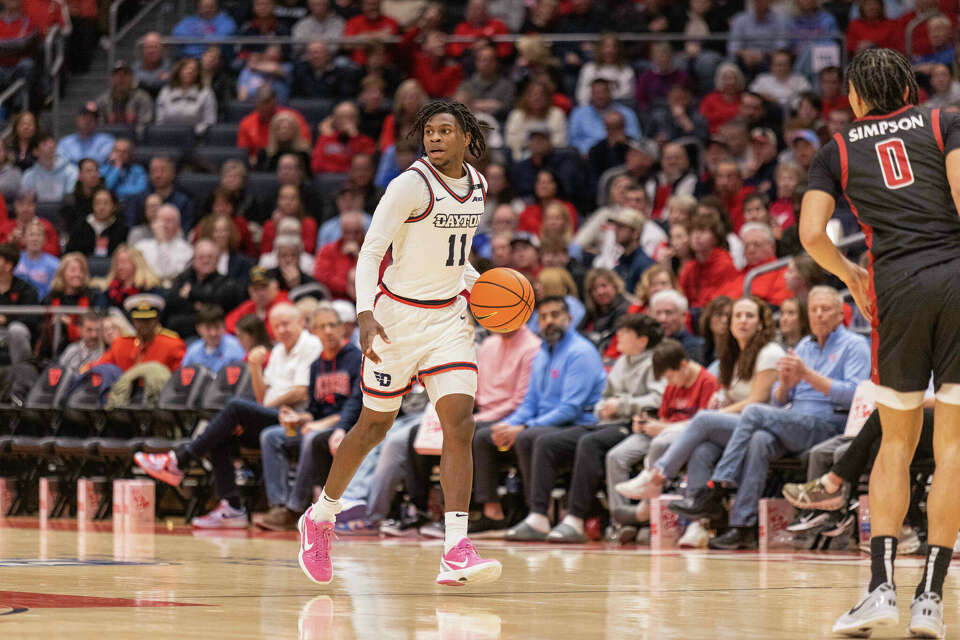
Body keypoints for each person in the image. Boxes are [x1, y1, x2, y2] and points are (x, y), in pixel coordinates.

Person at [290, 99, 504, 587]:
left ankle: (455, 548)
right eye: (429, 131)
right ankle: (320, 517)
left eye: (445, 131)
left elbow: (460, 262)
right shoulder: (409, 185)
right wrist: (364, 314)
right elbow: (370, 253)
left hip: (448, 320)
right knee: (372, 426)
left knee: (459, 424)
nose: (434, 138)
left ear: (467, 138)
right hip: (395, 321)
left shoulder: (477, 187)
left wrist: (482, 290)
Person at [798, 48, 960, 637]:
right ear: (910, 91)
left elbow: (812, 234)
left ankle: (880, 590)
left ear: (856, 98)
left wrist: (850, 275)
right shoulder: (945, 123)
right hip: (957, 281)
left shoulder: (836, 151)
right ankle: (932, 601)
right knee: (953, 446)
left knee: (895, 443)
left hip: (896, 292)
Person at [135, 303, 322, 527]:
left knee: (235, 408)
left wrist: (257, 411)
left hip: (299, 419)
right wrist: (254, 367)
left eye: (286, 324)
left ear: (300, 322)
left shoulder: (311, 346)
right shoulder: (279, 350)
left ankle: (178, 460)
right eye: (276, 325)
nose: (281, 329)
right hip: (274, 416)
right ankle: (232, 507)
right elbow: (262, 399)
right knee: (221, 434)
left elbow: (301, 391)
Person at [494, 296, 606, 541]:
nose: (548, 322)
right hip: (553, 424)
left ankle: (539, 512)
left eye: (555, 315)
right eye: (543, 317)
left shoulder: (580, 352)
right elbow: (530, 401)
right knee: (504, 436)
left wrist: (525, 426)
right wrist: (510, 424)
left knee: (533, 437)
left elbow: (571, 408)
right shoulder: (542, 353)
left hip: (583, 424)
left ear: (570, 319)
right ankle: (532, 515)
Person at [256, 304, 362, 531]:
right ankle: (279, 504)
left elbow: (357, 406)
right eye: (322, 326)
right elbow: (314, 408)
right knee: (271, 436)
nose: (328, 331)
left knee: (310, 437)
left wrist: (320, 424)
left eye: (333, 325)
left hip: (347, 427)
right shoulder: (316, 365)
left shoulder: (356, 358)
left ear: (343, 329)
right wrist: (301, 417)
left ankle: (295, 508)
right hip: (319, 425)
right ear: (314, 331)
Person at [89, 293, 185, 373]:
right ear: (133, 320)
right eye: (139, 320)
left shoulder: (172, 345)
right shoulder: (121, 344)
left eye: (148, 319)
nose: (144, 324)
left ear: (157, 319)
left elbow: (179, 380)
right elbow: (98, 367)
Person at [155, 57, 217, 136]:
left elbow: (210, 121)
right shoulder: (165, 91)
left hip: (197, 138)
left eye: (193, 69)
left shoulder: (206, 92)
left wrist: (191, 132)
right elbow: (159, 120)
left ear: (198, 73)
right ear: (178, 71)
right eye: (185, 68)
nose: (189, 71)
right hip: (167, 137)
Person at [134, 204, 193, 285]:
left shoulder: (186, 250)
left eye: (168, 221)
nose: (163, 225)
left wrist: (161, 242)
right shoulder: (141, 246)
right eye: (160, 220)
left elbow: (167, 273)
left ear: (178, 225)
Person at [225, 266, 290, 338]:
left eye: (264, 287)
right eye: (256, 289)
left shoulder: (283, 303)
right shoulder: (250, 306)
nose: (260, 293)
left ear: (275, 286)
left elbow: (273, 333)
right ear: (249, 291)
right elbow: (228, 324)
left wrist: (247, 334)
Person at [0, 242, 38, 364]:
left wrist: (6, 320)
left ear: (8, 266)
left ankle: (23, 371)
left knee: (17, 330)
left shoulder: (27, 290)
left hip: (13, 334)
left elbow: (31, 320)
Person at [65, 187, 129, 257]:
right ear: (92, 205)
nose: (101, 207)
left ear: (114, 206)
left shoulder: (122, 229)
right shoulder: (81, 226)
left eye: (106, 203)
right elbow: (70, 253)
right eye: (97, 203)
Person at [181, 304, 245, 372]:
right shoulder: (193, 351)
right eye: (208, 328)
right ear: (198, 329)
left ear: (224, 326)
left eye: (217, 327)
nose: (213, 333)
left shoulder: (237, 346)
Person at [95, 60, 154, 134]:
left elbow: (145, 125)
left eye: (125, 74)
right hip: (108, 141)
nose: (121, 77)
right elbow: (98, 127)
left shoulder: (142, 98)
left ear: (132, 78)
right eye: (117, 74)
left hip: (135, 141)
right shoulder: (102, 101)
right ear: (111, 79)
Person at [21, 133, 77, 203]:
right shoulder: (29, 176)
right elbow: (26, 202)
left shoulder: (71, 171)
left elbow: (70, 200)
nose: (51, 146)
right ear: (35, 151)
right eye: (45, 144)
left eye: (51, 142)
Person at [99, 244, 160, 308]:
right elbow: (100, 311)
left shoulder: (150, 289)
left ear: (137, 263)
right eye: (117, 263)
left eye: (124, 262)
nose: (120, 267)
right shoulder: (110, 290)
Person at [14, 220, 58, 297]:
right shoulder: (14, 259)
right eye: (31, 235)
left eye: (39, 235)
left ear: (45, 240)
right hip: (15, 306)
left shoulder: (55, 265)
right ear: (23, 239)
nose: (35, 239)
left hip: (41, 306)